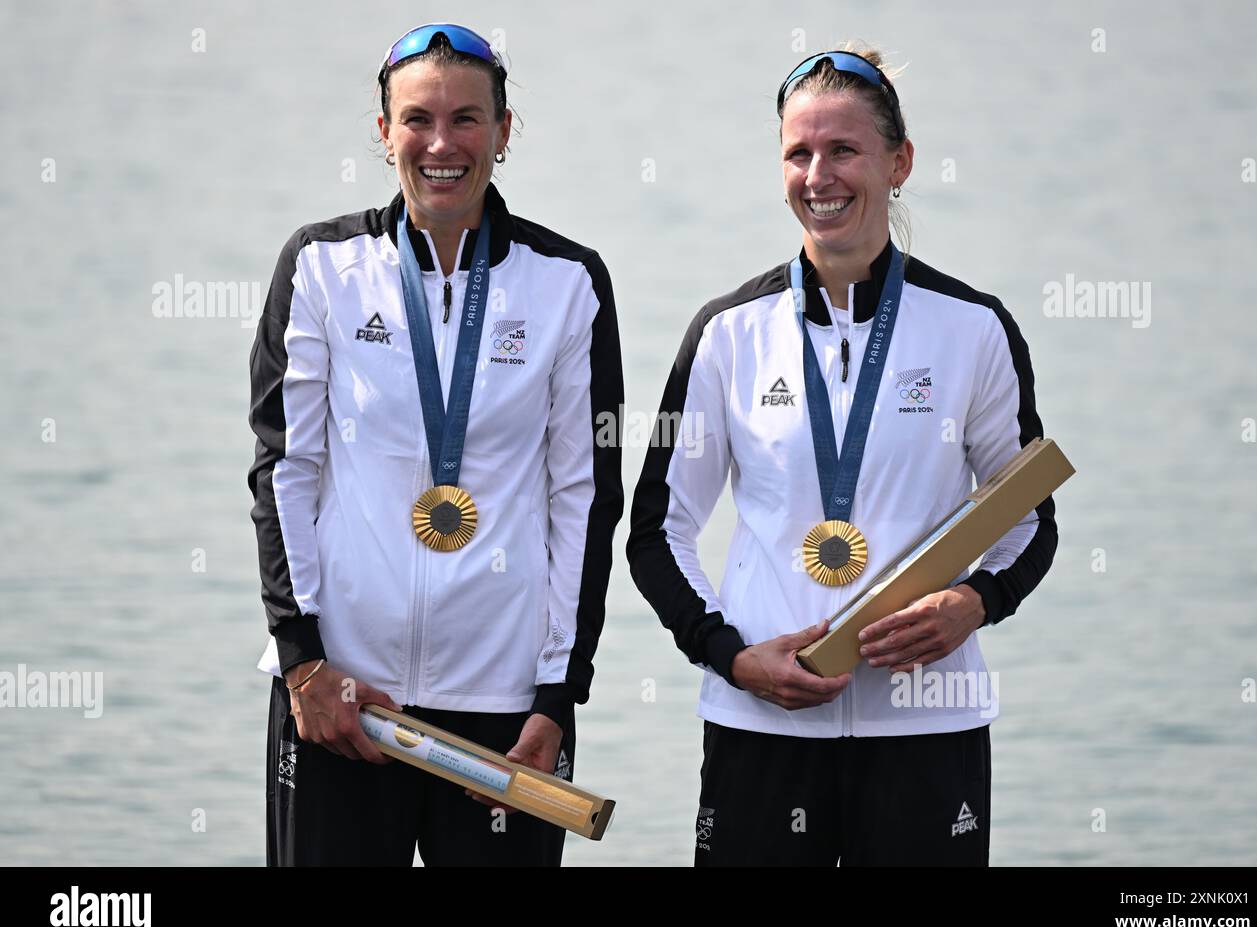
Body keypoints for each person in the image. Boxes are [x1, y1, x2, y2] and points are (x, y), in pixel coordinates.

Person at [627, 44, 1058, 866]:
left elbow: (1028, 520)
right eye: (799, 153)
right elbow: (657, 531)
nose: (819, 175)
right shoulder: (728, 333)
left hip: (929, 721)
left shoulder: (973, 327)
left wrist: (977, 603)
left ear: (899, 162)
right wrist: (731, 655)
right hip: (764, 722)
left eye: (844, 150)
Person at [248, 23, 623, 866]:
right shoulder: (319, 266)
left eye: (466, 119)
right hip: (341, 699)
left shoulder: (569, 282)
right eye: (417, 119)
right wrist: (303, 661)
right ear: (384, 134)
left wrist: (559, 696)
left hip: (503, 707)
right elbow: (283, 474)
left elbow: (586, 500)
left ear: (503, 131)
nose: (441, 143)